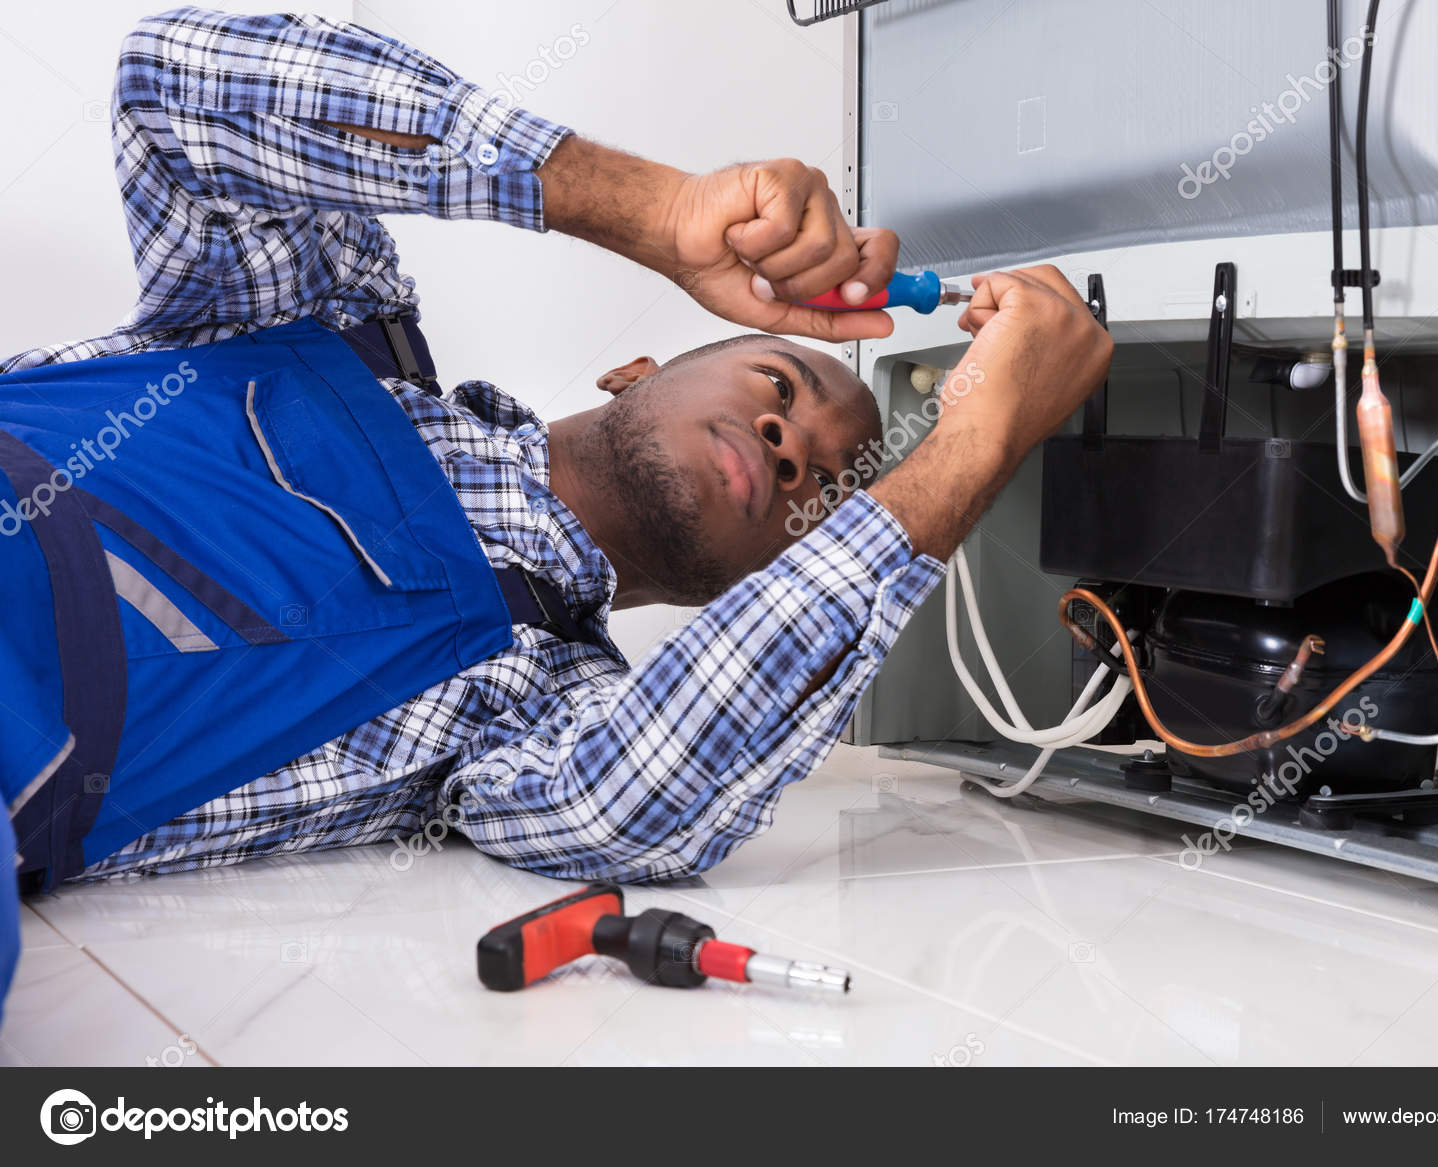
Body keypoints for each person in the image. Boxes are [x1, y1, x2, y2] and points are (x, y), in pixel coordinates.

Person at [0, 8, 1110, 1016]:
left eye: (818, 491)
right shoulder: (333, 321)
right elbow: (178, 83)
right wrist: (658, 211)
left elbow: (636, 802)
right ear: (632, 370)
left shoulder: (541, 709)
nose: (786, 444)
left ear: (761, 584)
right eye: (781, 387)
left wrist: (974, 444)